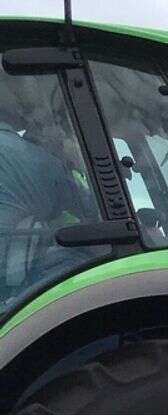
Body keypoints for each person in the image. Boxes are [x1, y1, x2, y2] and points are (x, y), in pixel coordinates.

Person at [0, 78, 95, 306]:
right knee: (82, 261)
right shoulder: (45, 164)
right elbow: (96, 213)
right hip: (8, 274)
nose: (64, 138)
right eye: (62, 131)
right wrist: (82, 164)